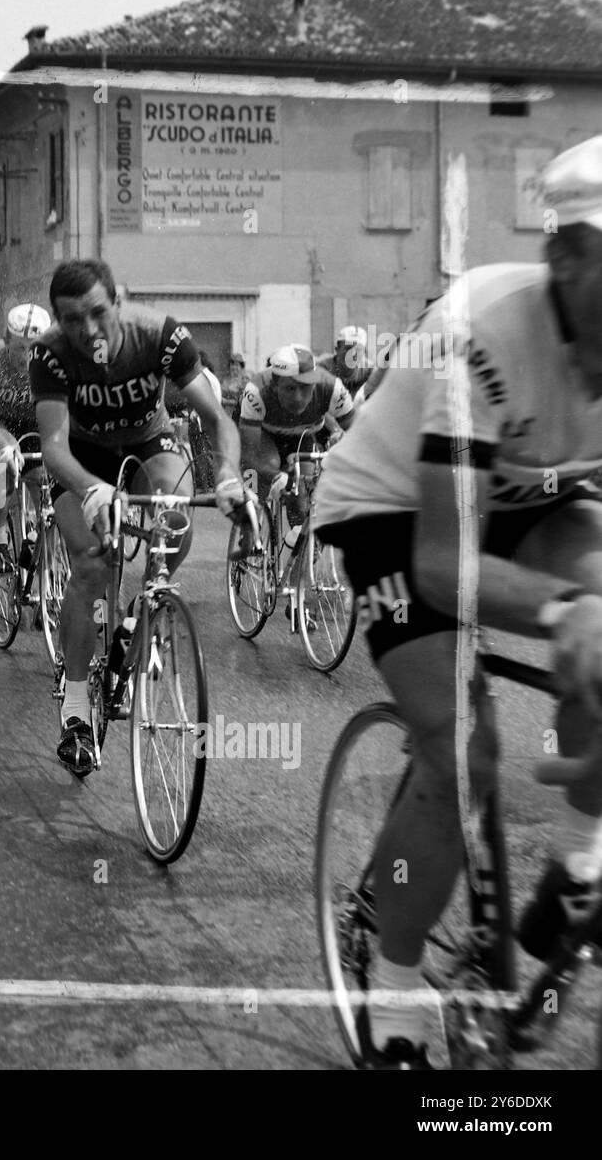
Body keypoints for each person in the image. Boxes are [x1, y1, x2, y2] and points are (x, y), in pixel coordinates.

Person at [312, 135, 602, 1069]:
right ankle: (395, 989)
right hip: (399, 514)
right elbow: (444, 563)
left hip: (535, 492)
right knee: (461, 747)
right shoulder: (480, 321)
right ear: (567, 256)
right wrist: (565, 615)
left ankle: (580, 857)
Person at [30, 259, 251, 776]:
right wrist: (91, 490)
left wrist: (230, 476)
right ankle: (78, 708)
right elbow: (54, 446)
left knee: (176, 523)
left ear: (119, 301)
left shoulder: (161, 335)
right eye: (71, 320)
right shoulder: (50, 352)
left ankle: (140, 613)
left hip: (150, 440)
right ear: (57, 321)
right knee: (88, 563)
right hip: (81, 458)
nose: (87, 330)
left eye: (97, 313)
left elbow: (218, 420)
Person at [238, 343, 356, 542]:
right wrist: (274, 477)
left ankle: (299, 554)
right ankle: (250, 520)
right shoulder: (257, 391)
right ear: (275, 385)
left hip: (304, 436)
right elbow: (249, 454)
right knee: (263, 472)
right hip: (264, 435)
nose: (299, 398)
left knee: (300, 496)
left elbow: (359, 434)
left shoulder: (331, 387)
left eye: (305, 387)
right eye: (290, 388)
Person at [0, 302, 52, 577]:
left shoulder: (55, 360)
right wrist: (5, 448)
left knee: (46, 479)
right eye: (20, 347)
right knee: (7, 461)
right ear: (6, 340)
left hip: (35, 422)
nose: (27, 356)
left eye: (34, 347)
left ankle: (38, 538)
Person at [317, 325, 373, 400]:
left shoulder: (369, 370)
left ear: (364, 352)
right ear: (337, 349)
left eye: (358, 349)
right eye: (348, 348)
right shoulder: (323, 367)